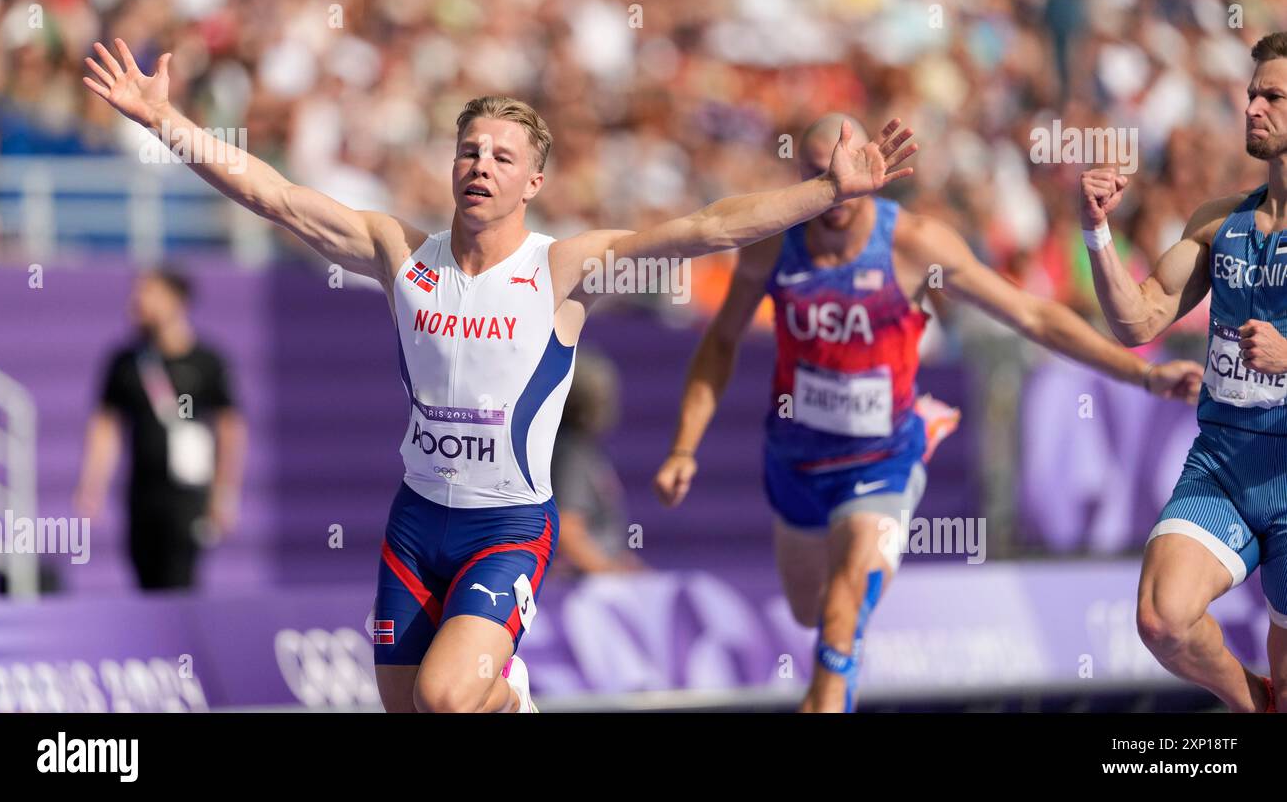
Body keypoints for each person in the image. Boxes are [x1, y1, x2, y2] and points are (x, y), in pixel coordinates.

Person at [81, 37, 919, 713]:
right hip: (414, 523)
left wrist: (821, 192)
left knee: (449, 696)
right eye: (469, 150)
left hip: (507, 525)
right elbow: (274, 195)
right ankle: (510, 702)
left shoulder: (564, 269)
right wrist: (166, 123)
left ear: (534, 181)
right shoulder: (399, 250)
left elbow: (703, 228)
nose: (480, 164)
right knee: (413, 707)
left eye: (502, 156)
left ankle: (505, 690)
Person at [654, 113, 1205, 713]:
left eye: (844, 165)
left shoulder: (915, 244)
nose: (833, 183)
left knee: (842, 611)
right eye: (816, 172)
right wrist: (685, 445)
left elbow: (1033, 316)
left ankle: (830, 693)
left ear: (876, 167)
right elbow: (721, 341)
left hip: (881, 460)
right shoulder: (772, 245)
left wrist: (1144, 375)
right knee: (809, 608)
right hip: (796, 461)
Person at [1079, 31, 1287, 713]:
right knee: (1161, 617)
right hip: (1223, 466)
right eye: (1252, 93)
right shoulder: (1218, 223)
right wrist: (1097, 232)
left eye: (1273, 96)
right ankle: (1250, 704)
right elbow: (1135, 322)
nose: (1253, 106)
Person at [74, 268, 246, 590]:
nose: (138, 302)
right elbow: (106, 427)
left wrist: (224, 494)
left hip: (188, 495)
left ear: (176, 300)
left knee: (179, 580)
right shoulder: (125, 362)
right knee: (146, 580)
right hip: (141, 493)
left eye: (148, 293)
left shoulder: (206, 362)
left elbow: (230, 428)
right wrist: (92, 486)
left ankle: (178, 642)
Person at [551, 350, 642, 575]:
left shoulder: (586, 450)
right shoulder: (572, 455)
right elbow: (567, 529)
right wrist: (611, 573)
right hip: (578, 588)